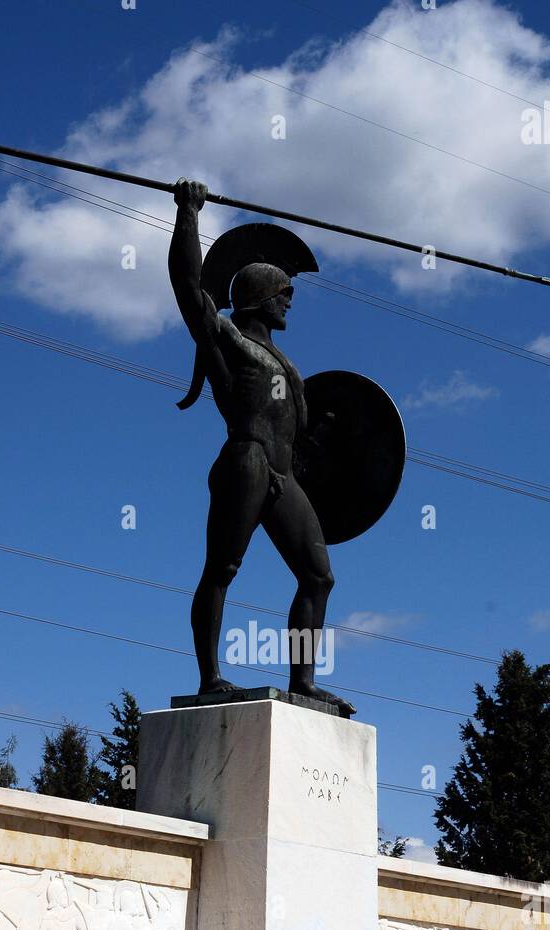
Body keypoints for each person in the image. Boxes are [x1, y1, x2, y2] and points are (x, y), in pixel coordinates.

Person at [168, 177, 354, 716]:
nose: (290, 305)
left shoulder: (285, 363)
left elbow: (301, 437)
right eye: (284, 295)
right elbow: (187, 287)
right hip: (244, 461)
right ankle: (210, 678)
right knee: (222, 570)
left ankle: (303, 682)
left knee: (319, 576)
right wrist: (188, 212)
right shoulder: (226, 336)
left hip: (282, 475)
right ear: (260, 297)